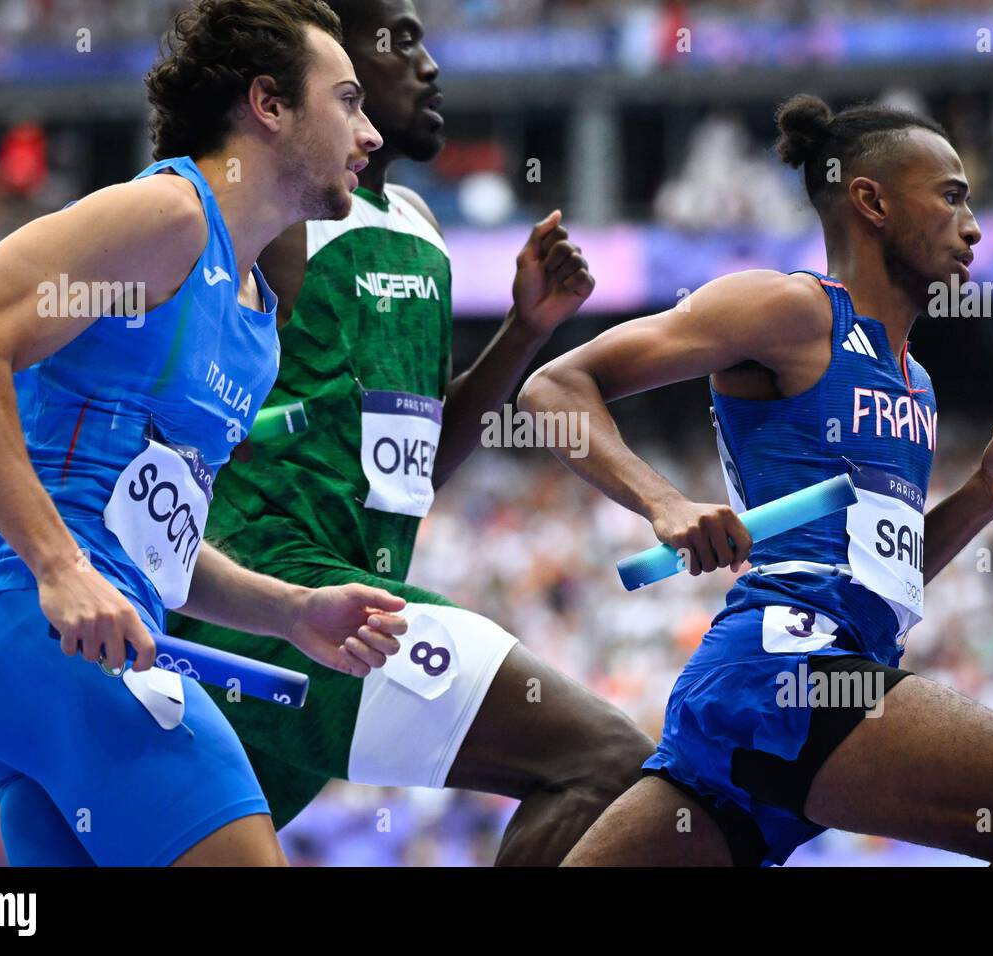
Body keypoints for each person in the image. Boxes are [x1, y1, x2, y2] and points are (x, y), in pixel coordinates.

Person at [519, 94, 993, 867]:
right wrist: (664, 503)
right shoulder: (792, 309)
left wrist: (984, 495)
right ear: (871, 201)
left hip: (801, 696)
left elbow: (882, 571)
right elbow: (553, 387)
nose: (973, 225)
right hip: (786, 670)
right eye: (952, 195)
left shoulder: (918, 384)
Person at [0, 0, 407, 867]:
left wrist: (289, 611)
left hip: (68, 647)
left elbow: (150, 538)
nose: (371, 133)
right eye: (350, 100)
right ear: (269, 106)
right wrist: (60, 567)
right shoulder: (169, 219)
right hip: (42, 627)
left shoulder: (258, 322)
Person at [166, 0, 654, 865]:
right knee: (606, 760)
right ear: (324, 72)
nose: (428, 65)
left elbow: (419, 467)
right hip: (266, 597)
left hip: (337, 603)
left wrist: (526, 328)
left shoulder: (421, 227)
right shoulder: (280, 213)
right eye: (402, 41)